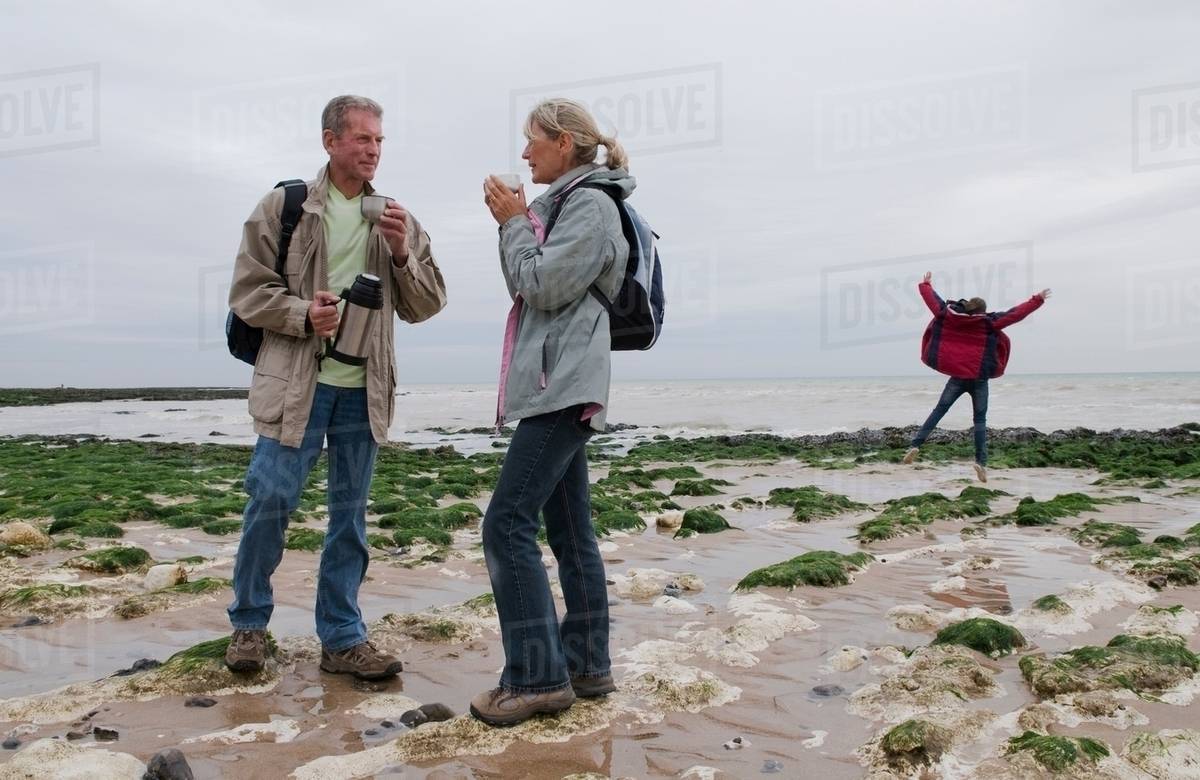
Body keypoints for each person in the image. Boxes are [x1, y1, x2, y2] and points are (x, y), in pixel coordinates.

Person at [224, 95, 446, 679]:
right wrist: (304, 314)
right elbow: (247, 291)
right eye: (361, 139)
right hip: (297, 385)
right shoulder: (286, 206)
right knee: (270, 503)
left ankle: (343, 638)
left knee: (349, 519)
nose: (372, 149)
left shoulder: (397, 217)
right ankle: (248, 626)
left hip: (364, 391)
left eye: (379, 140)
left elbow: (427, 304)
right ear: (330, 141)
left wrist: (401, 255)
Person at [470, 98, 631, 726]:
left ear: (564, 143)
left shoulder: (589, 205)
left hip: (563, 385)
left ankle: (537, 678)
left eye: (532, 140)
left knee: (505, 525)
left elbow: (539, 287)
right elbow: (529, 284)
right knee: (568, 530)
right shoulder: (568, 205)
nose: (524, 152)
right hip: (558, 382)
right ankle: (587, 666)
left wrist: (512, 222)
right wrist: (513, 223)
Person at [903, 271, 1050, 482]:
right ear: (983, 310)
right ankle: (981, 462)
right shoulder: (989, 322)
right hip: (979, 378)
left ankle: (915, 445)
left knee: (938, 411)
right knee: (979, 420)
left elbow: (933, 303)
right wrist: (1037, 300)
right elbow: (1015, 314)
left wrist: (926, 285)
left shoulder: (949, 316)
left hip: (957, 377)